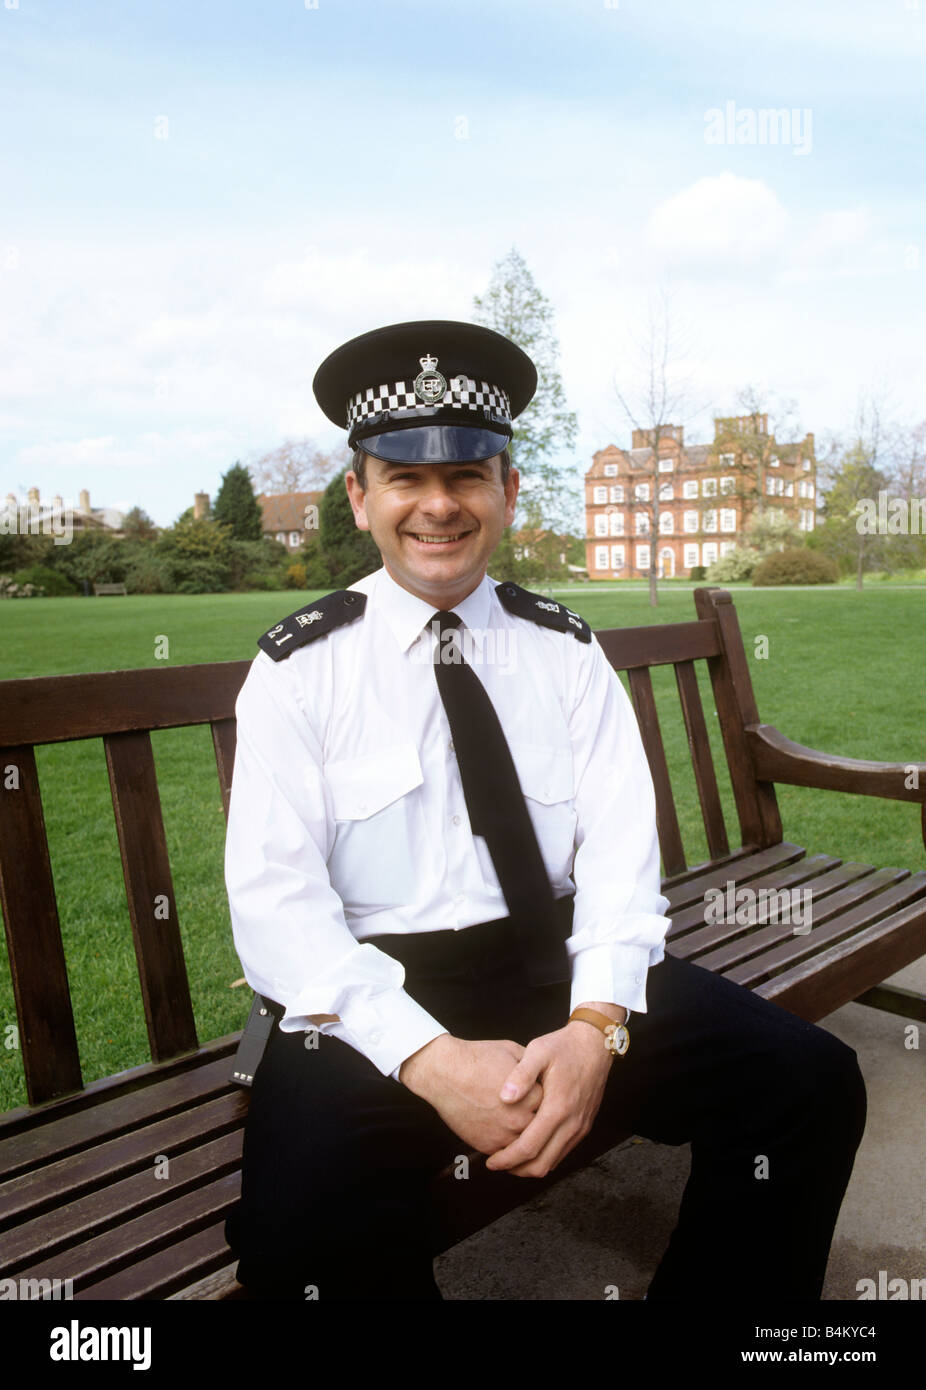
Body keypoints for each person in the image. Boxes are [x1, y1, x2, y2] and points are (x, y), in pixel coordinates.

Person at [222, 319, 866, 1302]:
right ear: (359, 496)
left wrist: (596, 1025)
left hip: (552, 967)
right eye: (404, 476)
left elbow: (616, 860)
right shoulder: (298, 668)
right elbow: (277, 912)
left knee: (806, 1087)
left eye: (468, 474)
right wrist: (428, 1060)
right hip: (360, 1004)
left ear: (506, 492)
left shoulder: (561, 649)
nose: (437, 505)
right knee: (299, 1235)